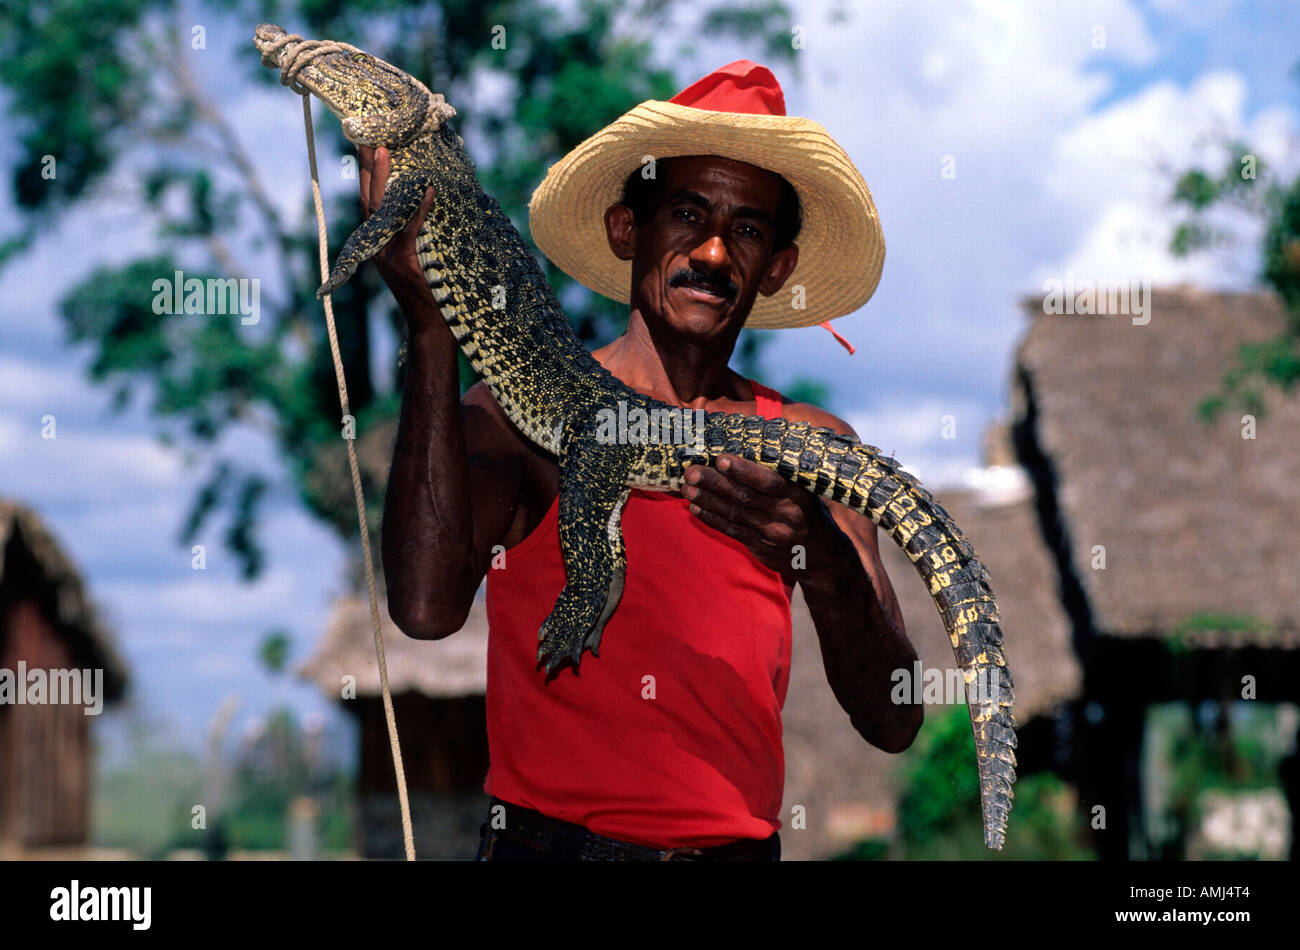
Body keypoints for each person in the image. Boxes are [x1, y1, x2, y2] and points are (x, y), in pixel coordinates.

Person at [369, 60, 922, 861]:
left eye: (749, 230)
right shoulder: (523, 408)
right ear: (630, 229)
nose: (713, 251)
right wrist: (428, 329)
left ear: (777, 268)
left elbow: (895, 716)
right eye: (687, 213)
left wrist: (816, 553)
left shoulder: (806, 442)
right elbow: (423, 610)